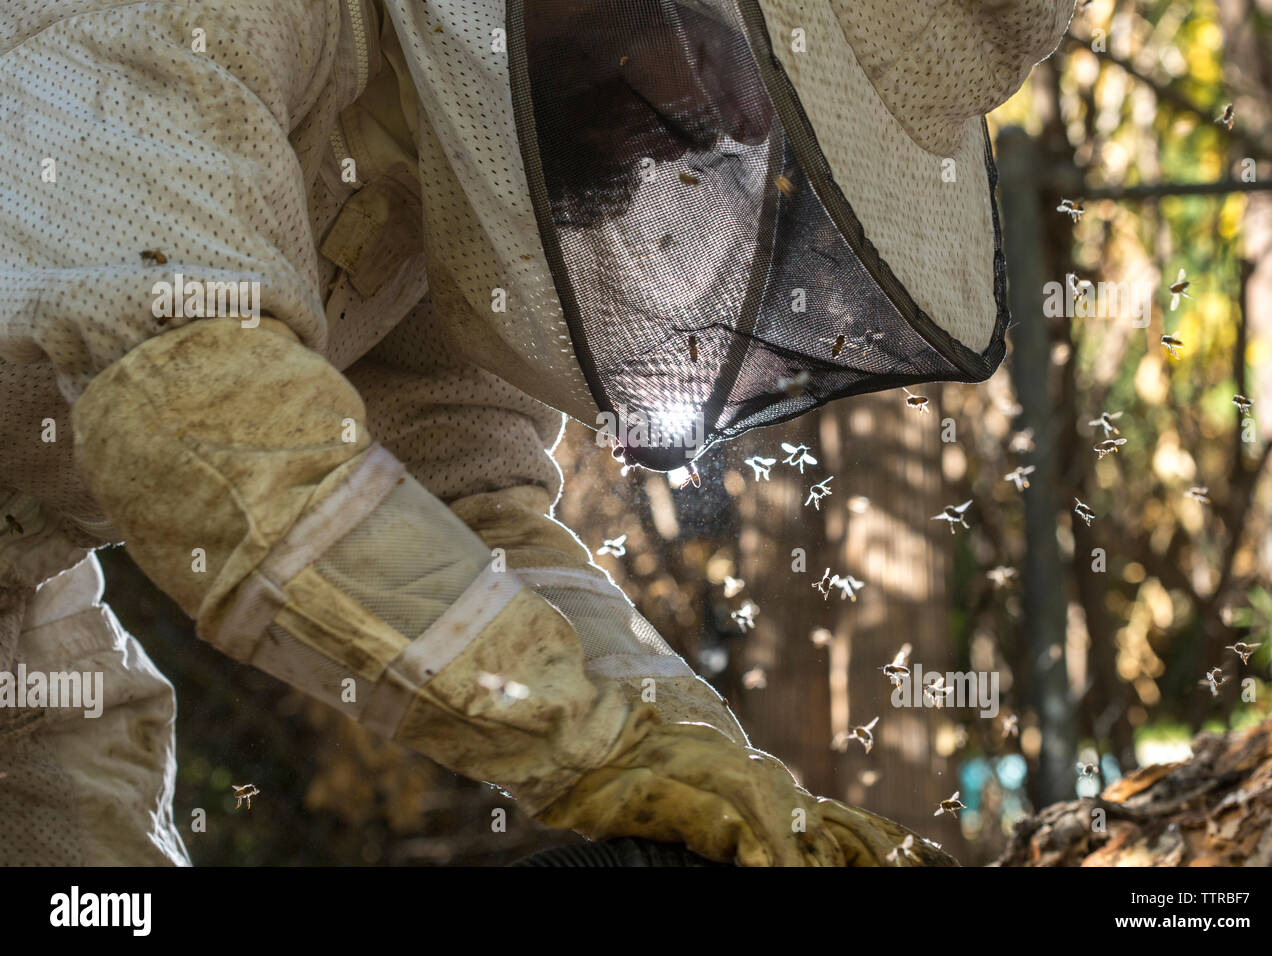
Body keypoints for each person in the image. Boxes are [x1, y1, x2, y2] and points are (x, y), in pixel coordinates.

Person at [0, 0, 1074, 866]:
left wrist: (704, 768)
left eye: (777, 115)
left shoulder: (426, 155)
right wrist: (593, 743)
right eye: (719, 48)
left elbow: (471, 511)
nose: (736, 120)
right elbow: (209, 417)